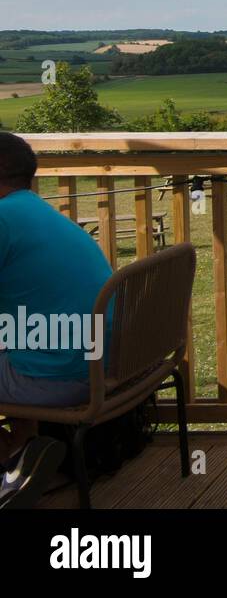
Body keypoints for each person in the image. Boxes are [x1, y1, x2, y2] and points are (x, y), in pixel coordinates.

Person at [0, 132, 113, 506]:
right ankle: (20, 454)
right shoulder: (38, 211)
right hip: (97, 365)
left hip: (58, 378)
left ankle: (15, 460)